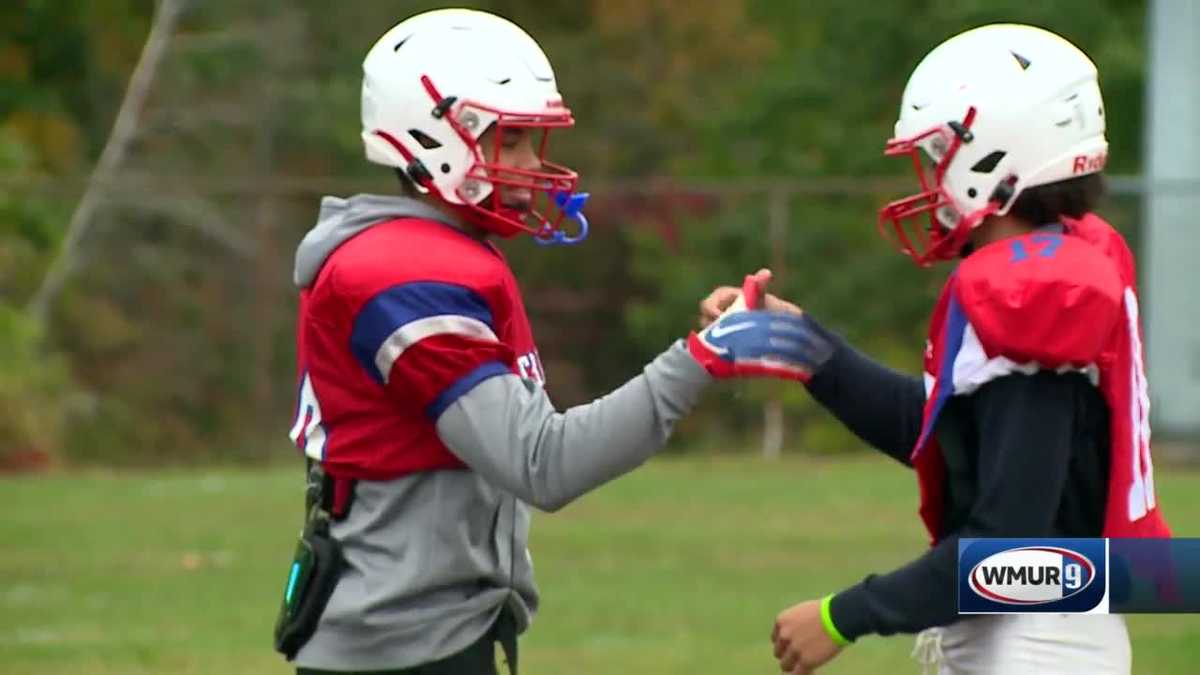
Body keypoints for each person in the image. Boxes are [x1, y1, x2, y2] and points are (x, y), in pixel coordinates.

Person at [273, 8, 817, 675]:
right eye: (512, 140)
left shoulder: (432, 254)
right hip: (401, 646)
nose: (534, 164)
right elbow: (544, 464)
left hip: (422, 631)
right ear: (432, 136)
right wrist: (702, 358)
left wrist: (704, 347)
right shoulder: (403, 277)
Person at [701, 23, 1170, 674]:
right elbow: (949, 436)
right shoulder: (1045, 267)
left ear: (998, 158)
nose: (927, 178)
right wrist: (802, 345)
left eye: (940, 153)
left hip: (1039, 643)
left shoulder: (1035, 295)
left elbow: (1009, 554)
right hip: (1033, 631)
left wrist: (845, 614)